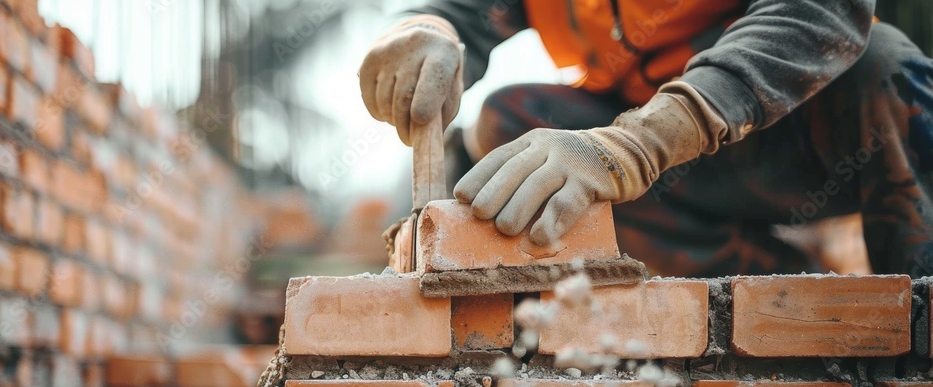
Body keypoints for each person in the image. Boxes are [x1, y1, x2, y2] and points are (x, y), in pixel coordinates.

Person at [358, 0, 933, 277]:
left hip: (799, 136)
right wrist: (424, 29)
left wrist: (633, 147)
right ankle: (770, 290)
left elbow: (815, 13)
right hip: (677, 174)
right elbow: (464, 10)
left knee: (888, 70)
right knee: (512, 119)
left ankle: (919, 322)